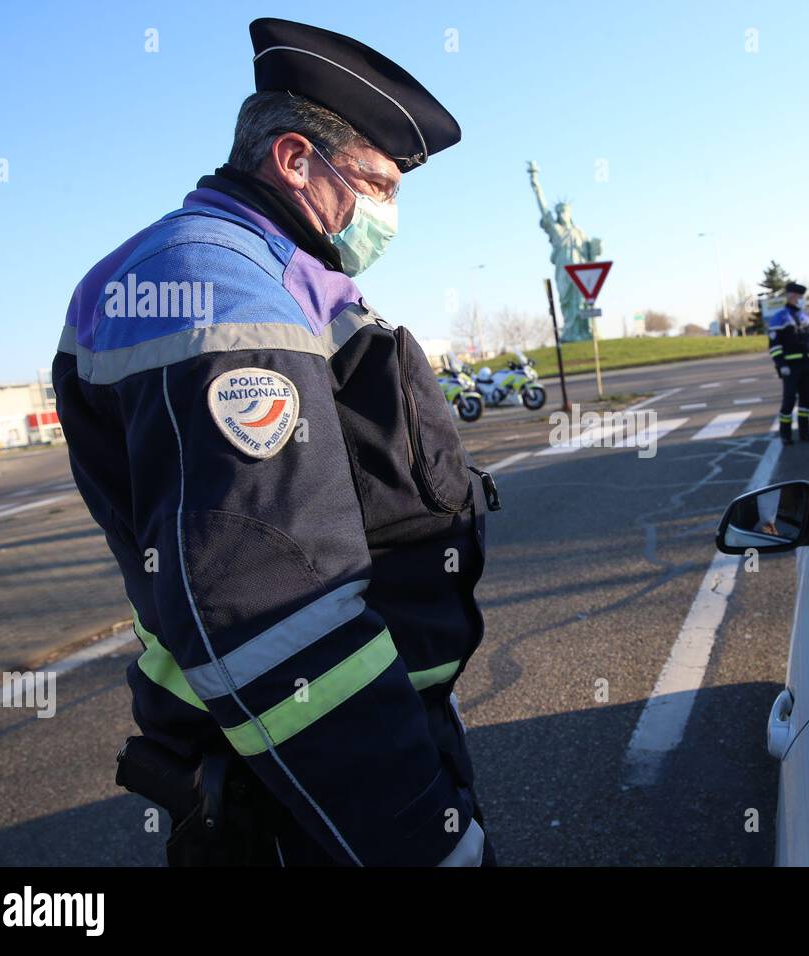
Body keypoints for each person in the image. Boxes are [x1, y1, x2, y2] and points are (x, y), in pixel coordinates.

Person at [54, 18, 496, 867]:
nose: (386, 214)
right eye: (378, 185)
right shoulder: (211, 286)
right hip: (297, 778)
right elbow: (270, 608)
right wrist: (413, 837)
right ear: (295, 160)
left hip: (329, 748)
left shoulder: (262, 269)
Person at [767, 281, 809, 444]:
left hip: (807, 366)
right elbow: (774, 345)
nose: (801, 299)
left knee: (806, 400)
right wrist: (781, 364)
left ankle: (805, 432)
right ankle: (786, 435)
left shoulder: (805, 317)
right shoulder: (780, 318)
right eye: (800, 297)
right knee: (789, 400)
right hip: (790, 368)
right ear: (792, 296)